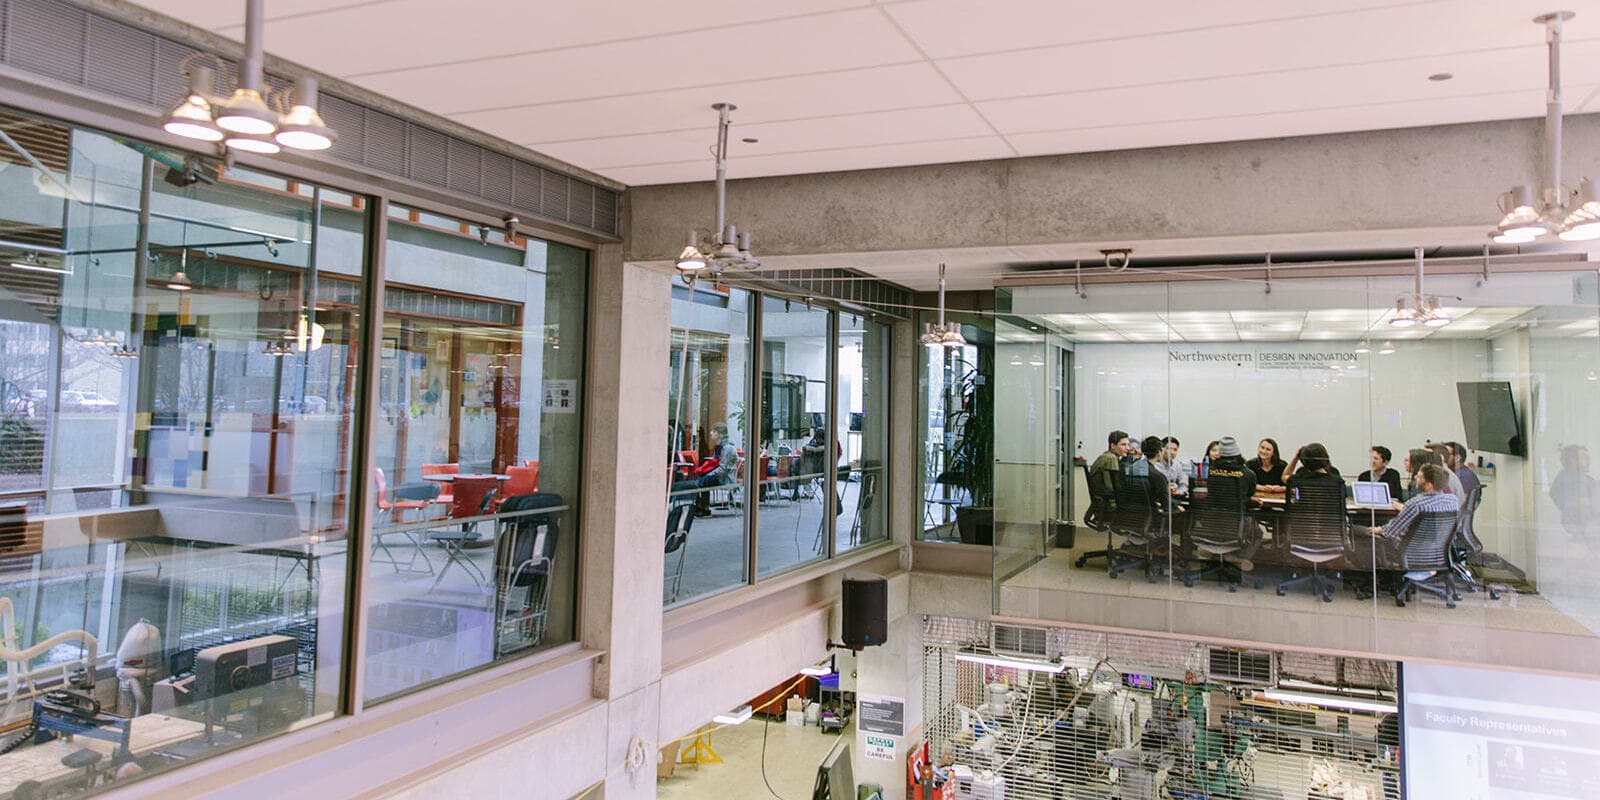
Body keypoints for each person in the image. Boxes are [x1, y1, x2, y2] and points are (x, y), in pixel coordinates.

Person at [1361, 463, 1462, 591]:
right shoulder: (1452, 500)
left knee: (1361, 533)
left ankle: (1370, 583)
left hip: (1412, 554)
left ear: (1429, 485)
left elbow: (1391, 532)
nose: (1415, 478)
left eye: (1419, 477)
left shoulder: (1416, 504)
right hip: (1438, 553)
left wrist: (1378, 529)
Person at [1201, 436, 1259, 571]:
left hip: (1209, 525)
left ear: (1220, 454)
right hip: (1235, 527)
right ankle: (1235, 559)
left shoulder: (1208, 472)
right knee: (1257, 533)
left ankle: (1219, 557)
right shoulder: (1248, 474)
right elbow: (1248, 495)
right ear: (1237, 453)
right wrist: (1252, 502)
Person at [672, 421, 739, 517]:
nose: (711, 433)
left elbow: (722, 469)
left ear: (719, 434)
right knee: (703, 478)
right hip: (720, 476)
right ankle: (701, 506)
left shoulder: (727, 447)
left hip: (725, 478)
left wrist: (708, 474)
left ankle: (704, 508)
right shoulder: (720, 446)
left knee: (705, 480)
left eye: (713, 431)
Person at [1551, 444, 1594, 538]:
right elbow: (1554, 494)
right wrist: (1573, 503)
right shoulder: (1563, 479)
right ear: (1572, 461)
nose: (1589, 462)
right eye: (1585, 458)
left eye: (1588, 459)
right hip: (1573, 529)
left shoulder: (1590, 481)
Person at [1088, 430, 1130, 519]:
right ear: (1113, 446)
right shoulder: (1111, 459)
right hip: (1108, 507)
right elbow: (1112, 488)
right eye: (1123, 445)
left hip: (1101, 505)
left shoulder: (1106, 456)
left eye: (1128, 445)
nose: (1128, 448)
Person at [1123, 436, 1170, 511]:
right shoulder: (1158, 476)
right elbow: (1166, 505)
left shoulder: (1130, 469)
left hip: (1129, 514)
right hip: (1148, 516)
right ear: (1158, 452)